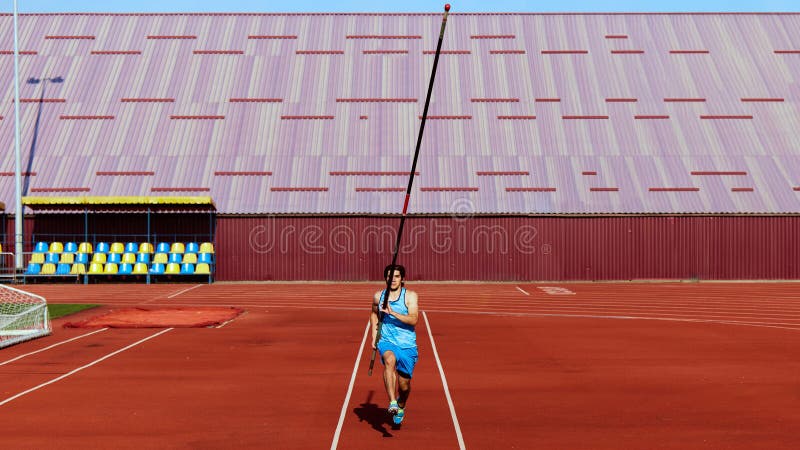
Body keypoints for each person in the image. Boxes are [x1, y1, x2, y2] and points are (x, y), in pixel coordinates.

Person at [370, 264, 419, 426]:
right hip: (387, 340)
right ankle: (392, 402)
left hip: (407, 344)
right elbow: (373, 314)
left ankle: (400, 404)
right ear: (386, 278)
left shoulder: (410, 296)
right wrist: (373, 336)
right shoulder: (379, 296)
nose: (393, 280)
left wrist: (393, 313)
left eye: (397, 276)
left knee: (404, 387)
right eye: (390, 276)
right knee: (389, 360)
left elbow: (413, 320)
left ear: (402, 279)